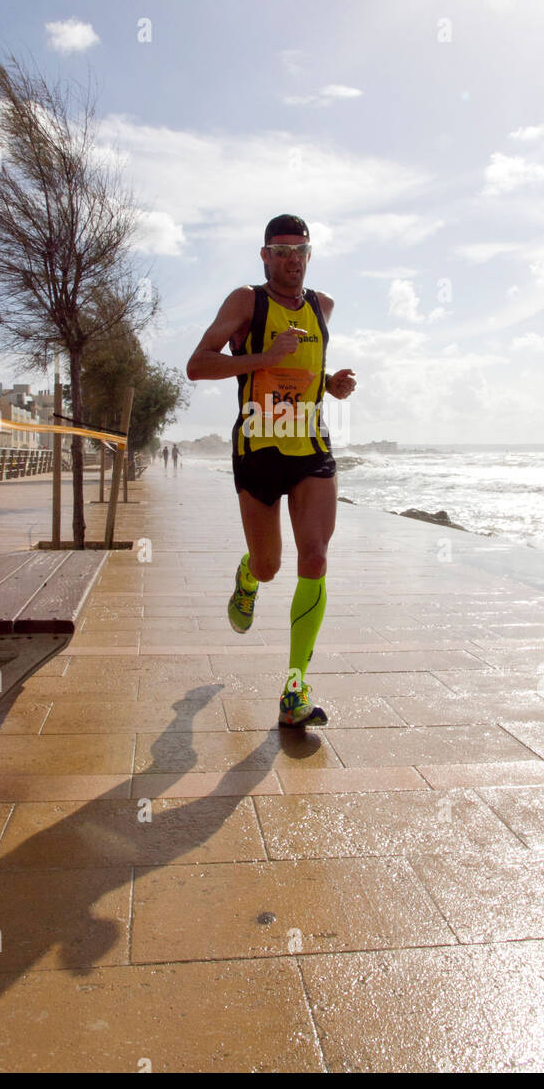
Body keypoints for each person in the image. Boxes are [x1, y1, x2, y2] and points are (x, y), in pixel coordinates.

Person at [187, 214, 356, 728]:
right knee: (269, 565)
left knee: (317, 554)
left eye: (300, 250)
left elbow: (300, 371)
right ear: (264, 255)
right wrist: (262, 356)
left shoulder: (322, 307)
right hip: (258, 447)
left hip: (310, 446)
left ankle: (294, 688)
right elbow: (198, 365)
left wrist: (330, 384)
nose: (291, 259)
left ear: (310, 254)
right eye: (280, 250)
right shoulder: (246, 302)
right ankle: (247, 576)